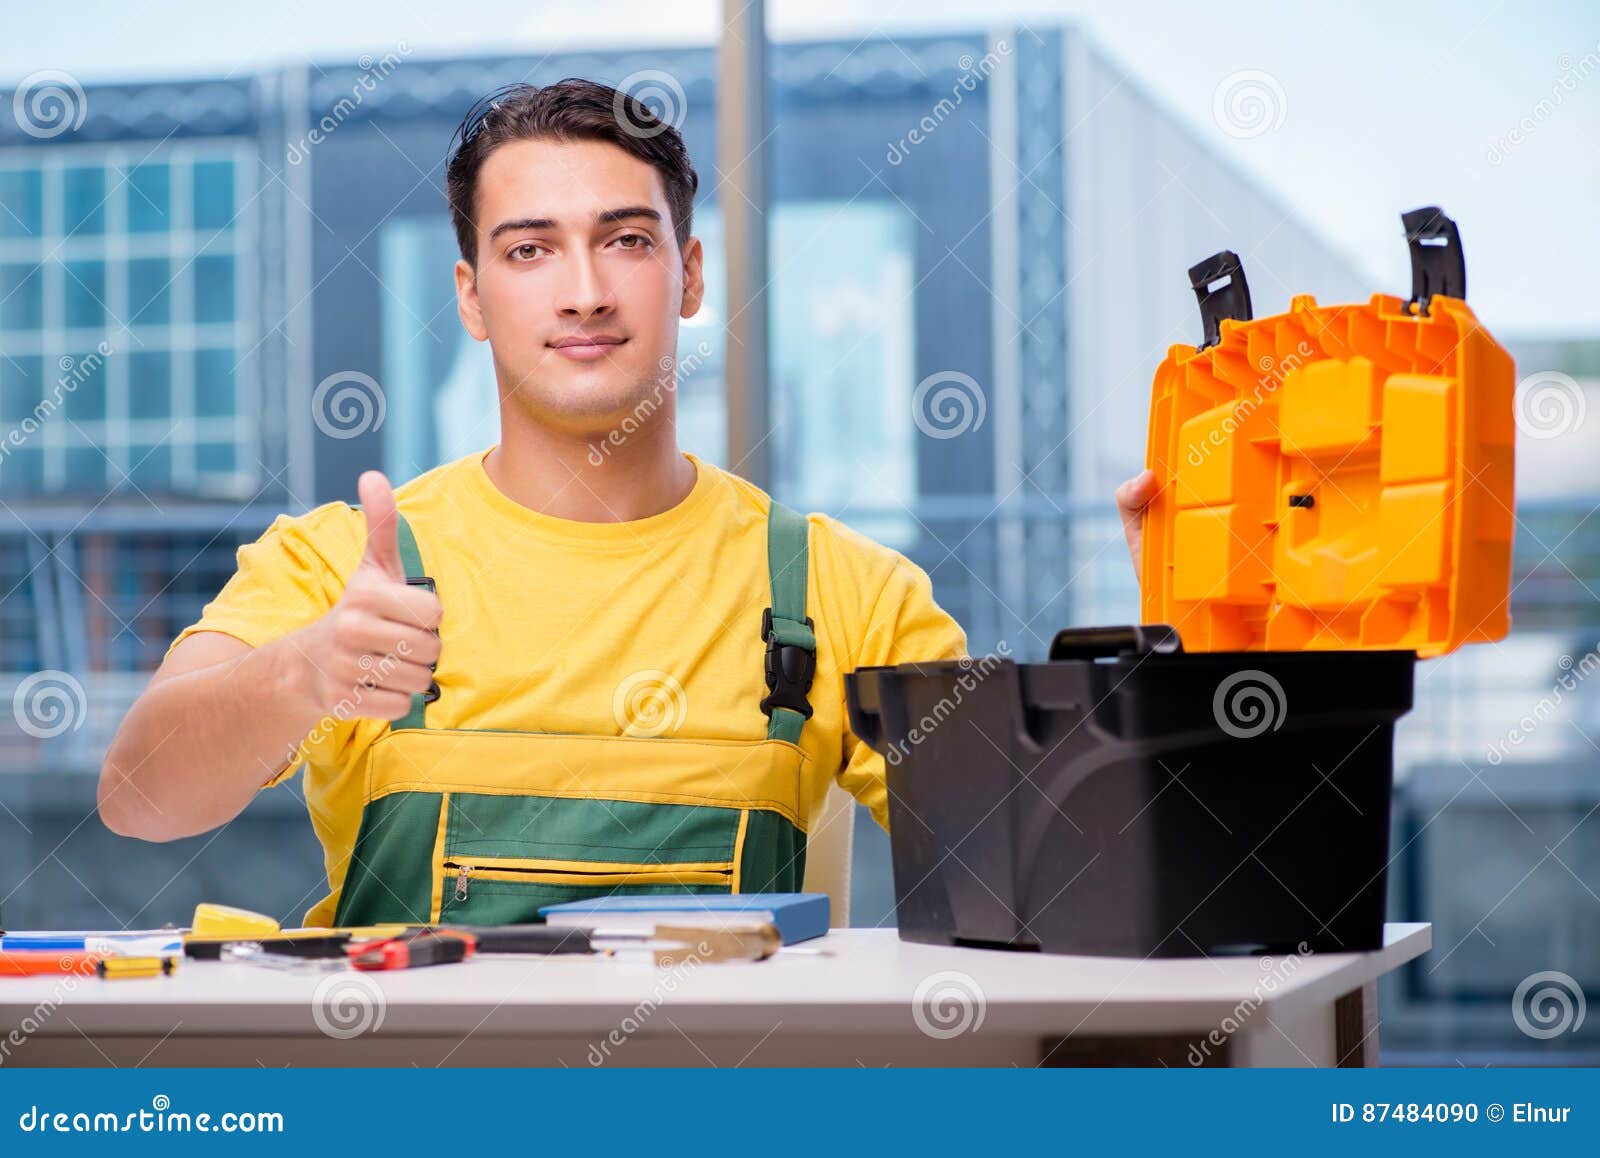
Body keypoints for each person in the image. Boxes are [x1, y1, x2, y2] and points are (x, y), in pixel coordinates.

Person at [98, 79, 967, 927]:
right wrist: (308, 668)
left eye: (626, 240)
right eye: (528, 250)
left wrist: (1108, 689)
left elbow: (1033, 871)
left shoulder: (841, 591)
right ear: (471, 296)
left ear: (691, 275)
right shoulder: (346, 566)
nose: (583, 291)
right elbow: (139, 799)